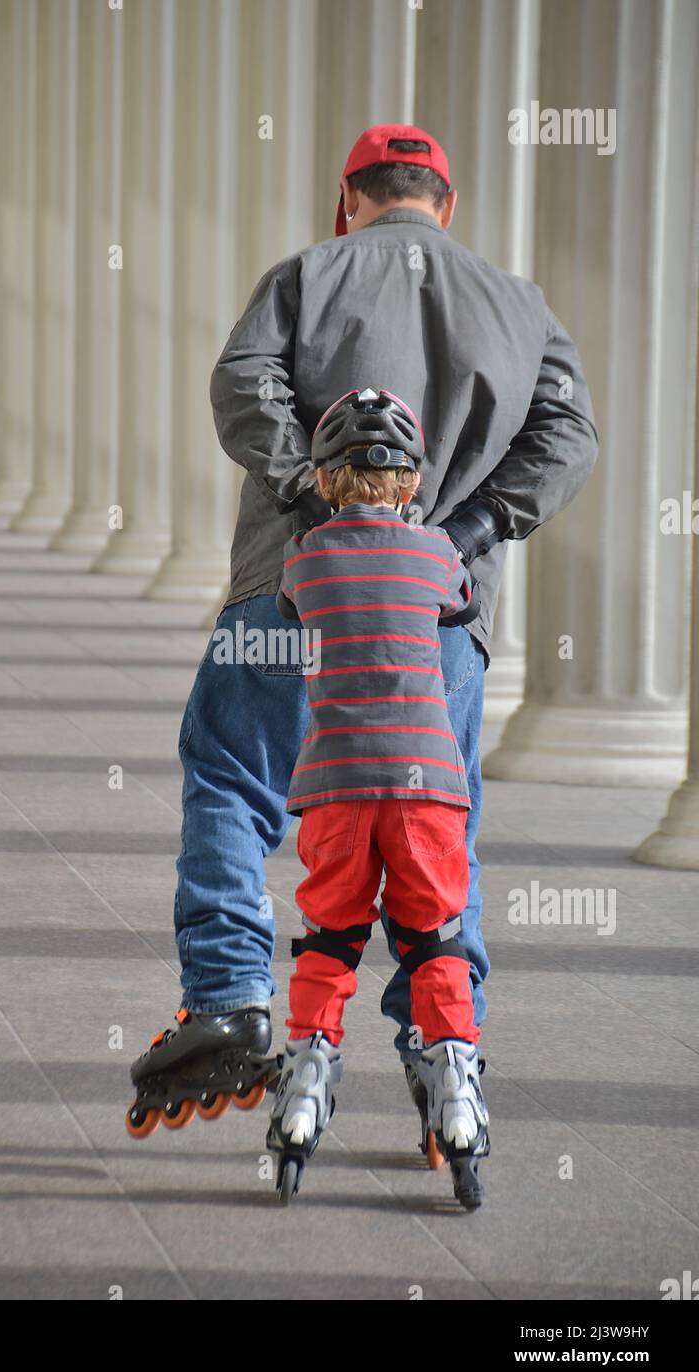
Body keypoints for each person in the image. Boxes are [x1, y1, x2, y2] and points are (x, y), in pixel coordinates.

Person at [125, 123, 597, 1142]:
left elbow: (241, 385)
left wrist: (311, 494)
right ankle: (440, 1052)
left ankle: (227, 995)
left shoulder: (305, 275)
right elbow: (569, 435)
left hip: (285, 592)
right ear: (446, 204)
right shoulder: (520, 306)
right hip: (440, 616)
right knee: (441, 830)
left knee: (233, 777)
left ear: (350, 200)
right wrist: (466, 530)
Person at [264, 388, 490, 1210]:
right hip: (429, 788)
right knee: (435, 940)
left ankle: (304, 1083)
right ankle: (456, 1088)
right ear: (410, 483)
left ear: (325, 481)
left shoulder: (306, 559)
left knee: (330, 938)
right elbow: (461, 605)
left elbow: (293, 606)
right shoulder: (435, 555)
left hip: (333, 788)